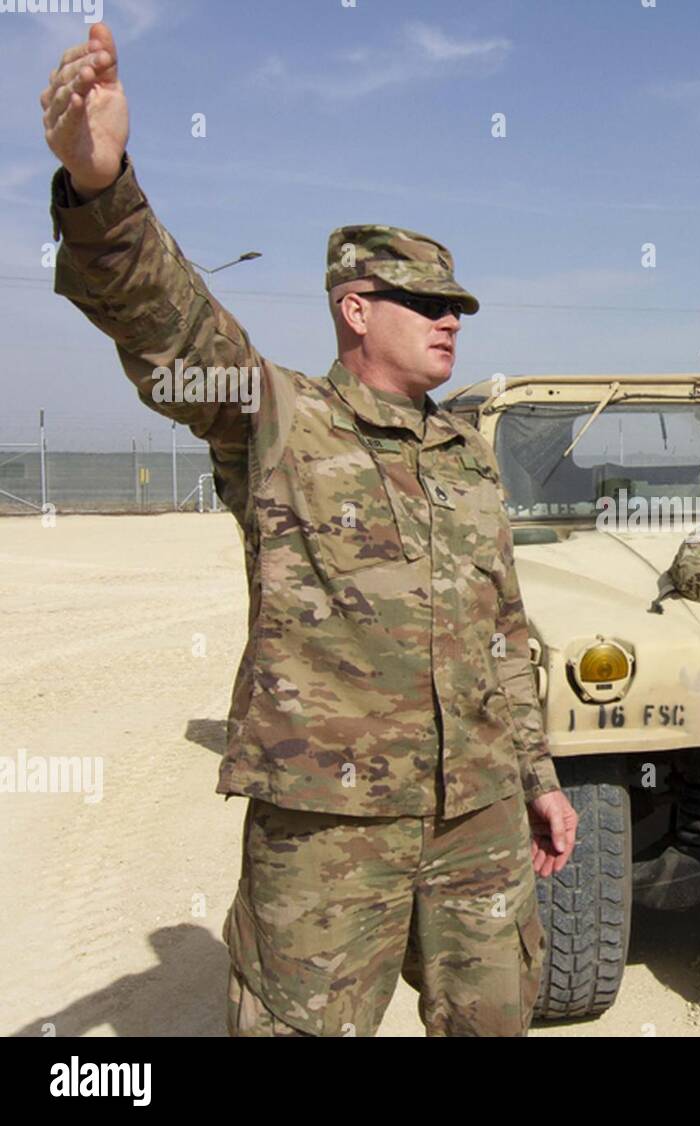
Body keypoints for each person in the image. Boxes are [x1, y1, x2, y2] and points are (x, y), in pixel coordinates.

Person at [41, 22, 577, 1037]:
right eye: (425, 302)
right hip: (331, 825)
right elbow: (174, 331)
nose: (451, 320)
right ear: (354, 307)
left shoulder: (463, 451)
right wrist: (103, 191)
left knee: (497, 1017)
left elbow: (506, 630)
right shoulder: (279, 418)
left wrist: (537, 776)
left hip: (479, 815)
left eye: (457, 305)